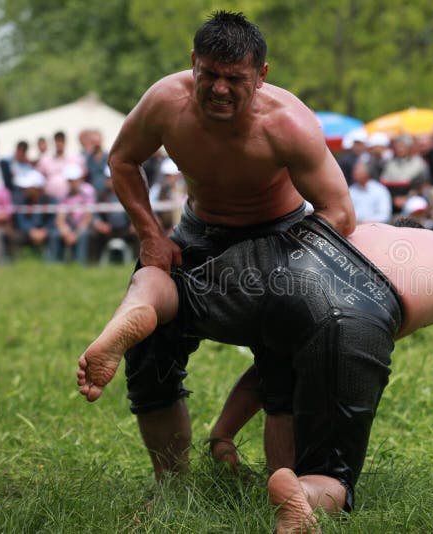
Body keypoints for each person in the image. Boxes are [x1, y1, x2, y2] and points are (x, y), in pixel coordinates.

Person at [77, 215, 433, 534]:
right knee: (332, 477)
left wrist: (224, 434)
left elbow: (264, 370)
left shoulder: (371, 230)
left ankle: (151, 300)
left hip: (301, 255)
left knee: (199, 307)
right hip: (363, 300)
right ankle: (305, 493)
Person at [99, 10, 354, 482]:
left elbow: (340, 212)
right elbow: (122, 160)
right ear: (193, 62)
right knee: (149, 346)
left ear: (261, 76)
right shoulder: (164, 101)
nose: (219, 88)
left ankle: (287, 494)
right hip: (196, 233)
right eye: (209, 75)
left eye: (234, 79)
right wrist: (150, 234)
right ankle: (172, 486)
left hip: (280, 236)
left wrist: (286, 268)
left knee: (286, 364)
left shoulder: (289, 124)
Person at [348, 156, 392, 223]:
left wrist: (365, 222)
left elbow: (385, 215)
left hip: (375, 227)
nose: (354, 173)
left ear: (366, 173)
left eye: (357, 171)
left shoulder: (380, 190)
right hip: (354, 226)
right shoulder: (351, 190)